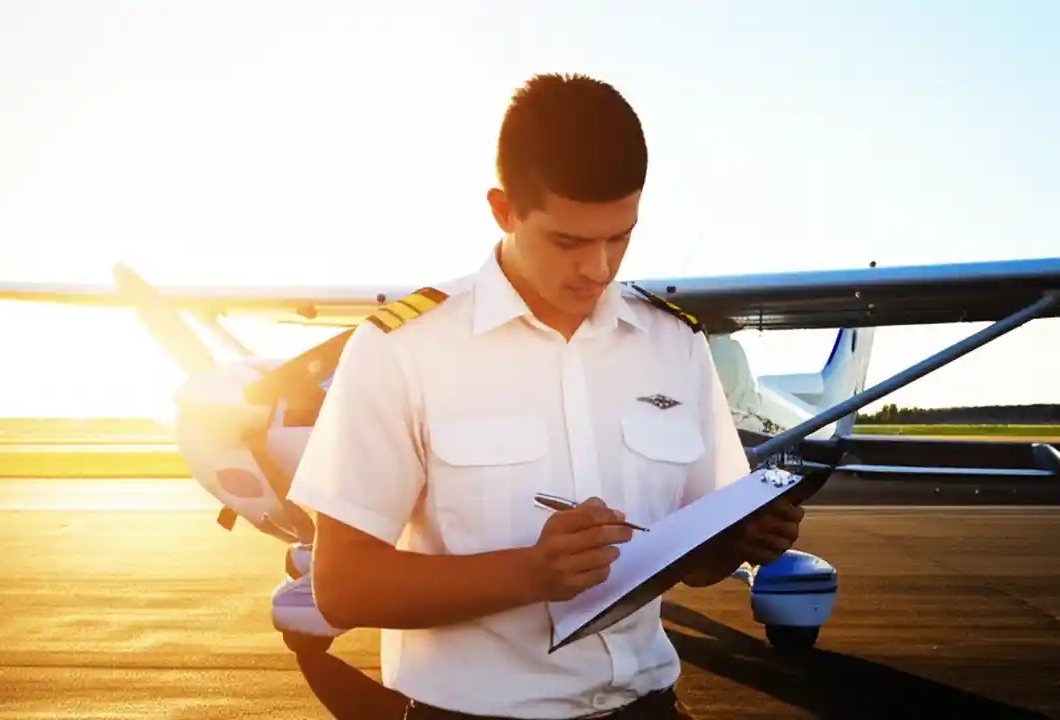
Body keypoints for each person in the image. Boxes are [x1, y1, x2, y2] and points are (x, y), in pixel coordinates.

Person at [284, 72, 805, 720]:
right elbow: (343, 587)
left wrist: (741, 538)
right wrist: (529, 573)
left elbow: (693, 563)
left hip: (650, 707)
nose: (600, 268)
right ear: (502, 211)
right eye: (569, 241)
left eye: (621, 236)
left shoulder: (674, 345)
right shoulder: (403, 350)